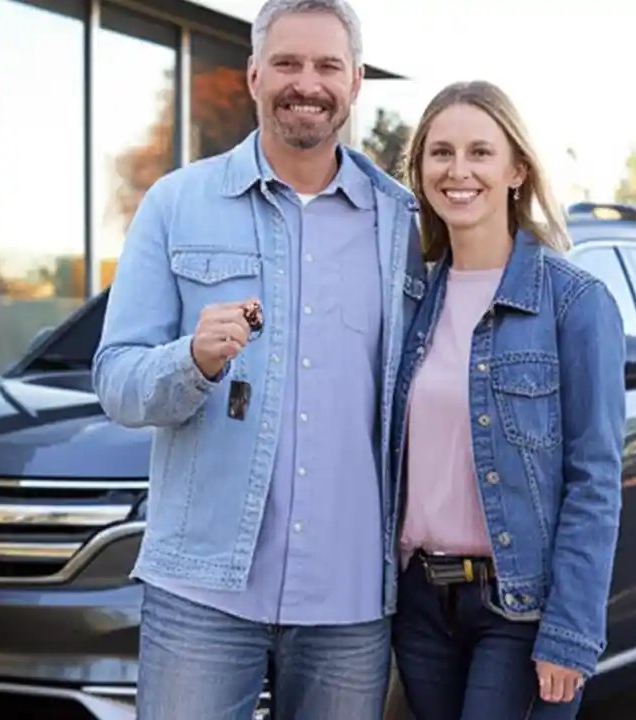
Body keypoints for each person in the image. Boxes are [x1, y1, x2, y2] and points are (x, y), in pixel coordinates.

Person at [91, 0, 425, 717]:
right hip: (202, 588)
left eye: (327, 65)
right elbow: (115, 381)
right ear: (252, 76)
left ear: (356, 80)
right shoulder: (176, 204)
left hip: (351, 596)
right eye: (287, 63)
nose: (307, 82)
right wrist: (191, 362)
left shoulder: (404, 225)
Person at [388, 80, 626, 719]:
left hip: (518, 606)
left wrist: (571, 633)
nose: (457, 171)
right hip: (418, 606)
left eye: (479, 153)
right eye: (440, 153)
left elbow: (594, 482)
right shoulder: (410, 302)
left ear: (517, 169)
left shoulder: (574, 303)